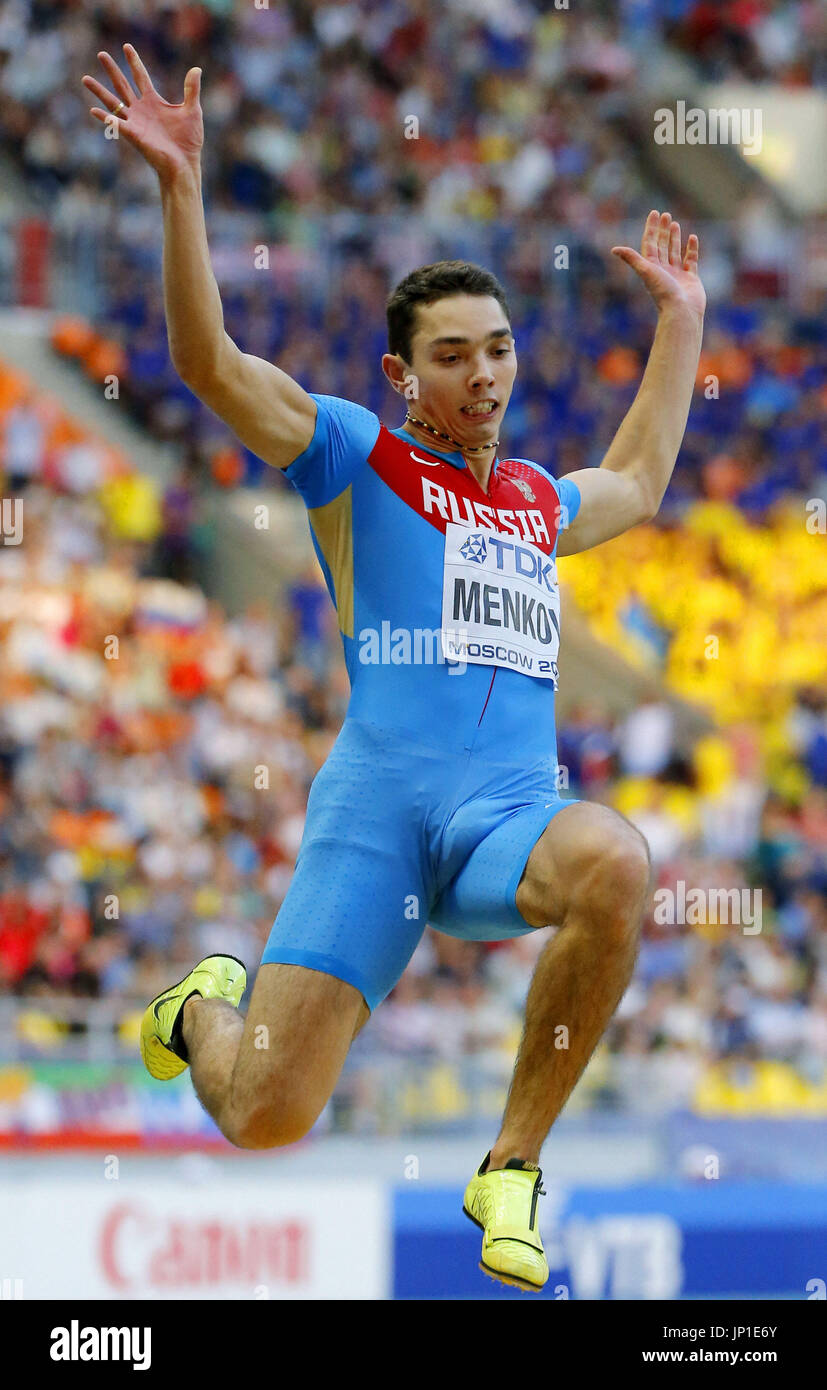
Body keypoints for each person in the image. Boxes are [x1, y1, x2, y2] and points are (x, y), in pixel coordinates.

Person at [83, 45, 705, 1292]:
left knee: (618, 862)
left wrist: (680, 321)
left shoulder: (533, 502)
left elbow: (637, 480)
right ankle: (201, 1005)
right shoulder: (353, 455)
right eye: (452, 354)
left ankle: (509, 1167)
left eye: (498, 349)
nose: (483, 374)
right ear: (400, 373)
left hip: (502, 820)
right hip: (376, 821)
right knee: (263, 1115)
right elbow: (210, 366)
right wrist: (180, 190)